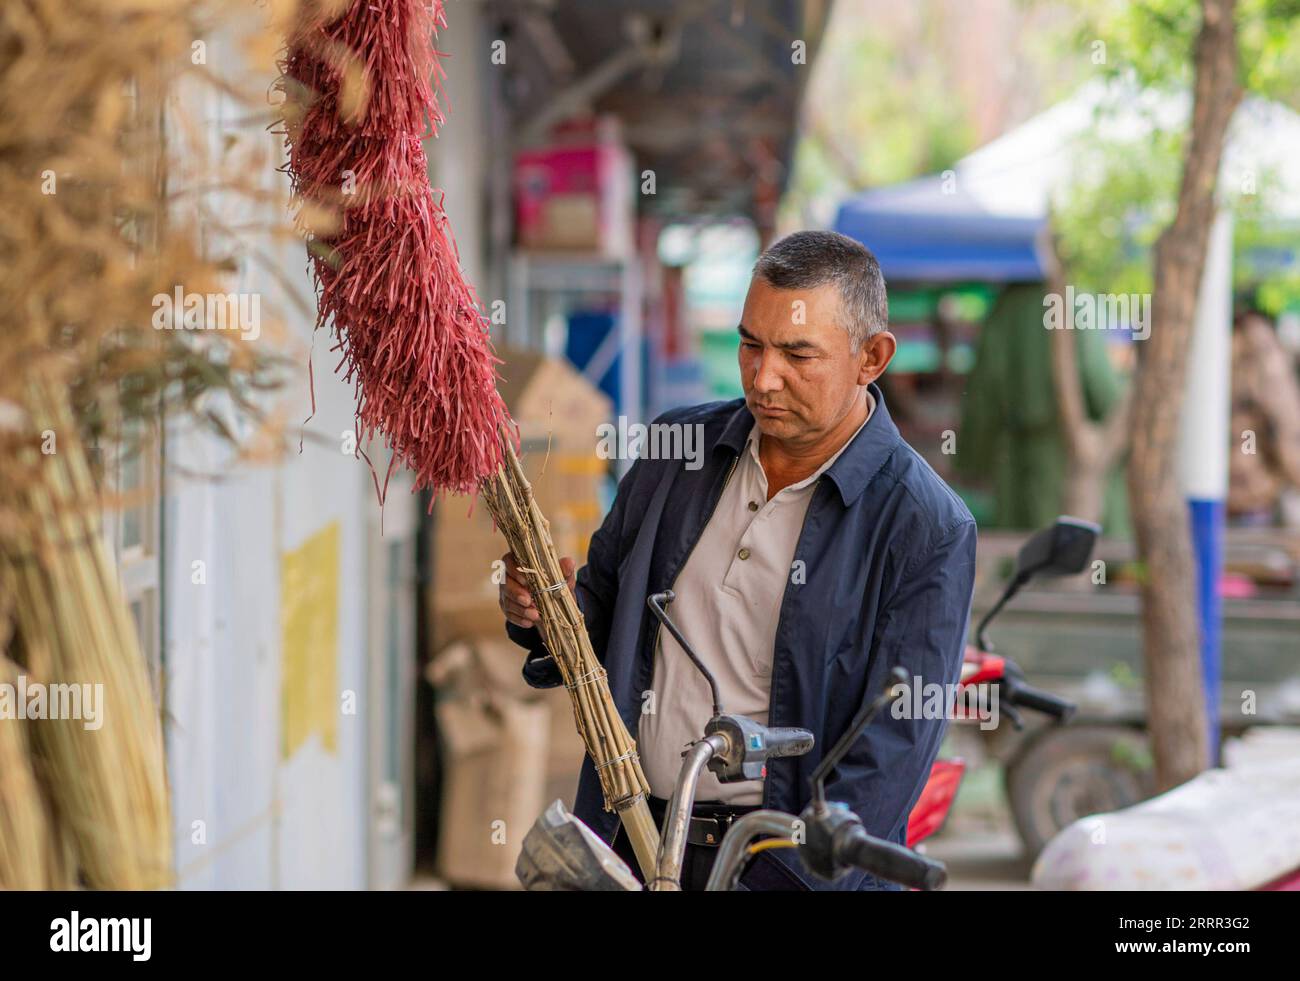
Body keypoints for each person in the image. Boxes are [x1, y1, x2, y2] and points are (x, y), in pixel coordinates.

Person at [500, 230, 977, 890]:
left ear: (872, 357)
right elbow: (602, 617)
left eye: (797, 353)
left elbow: (890, 754)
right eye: (751, 343)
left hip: (783, 872)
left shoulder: (924, 524)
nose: (763, 375)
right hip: (634, 843)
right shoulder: (679, 450)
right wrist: (540, 609)